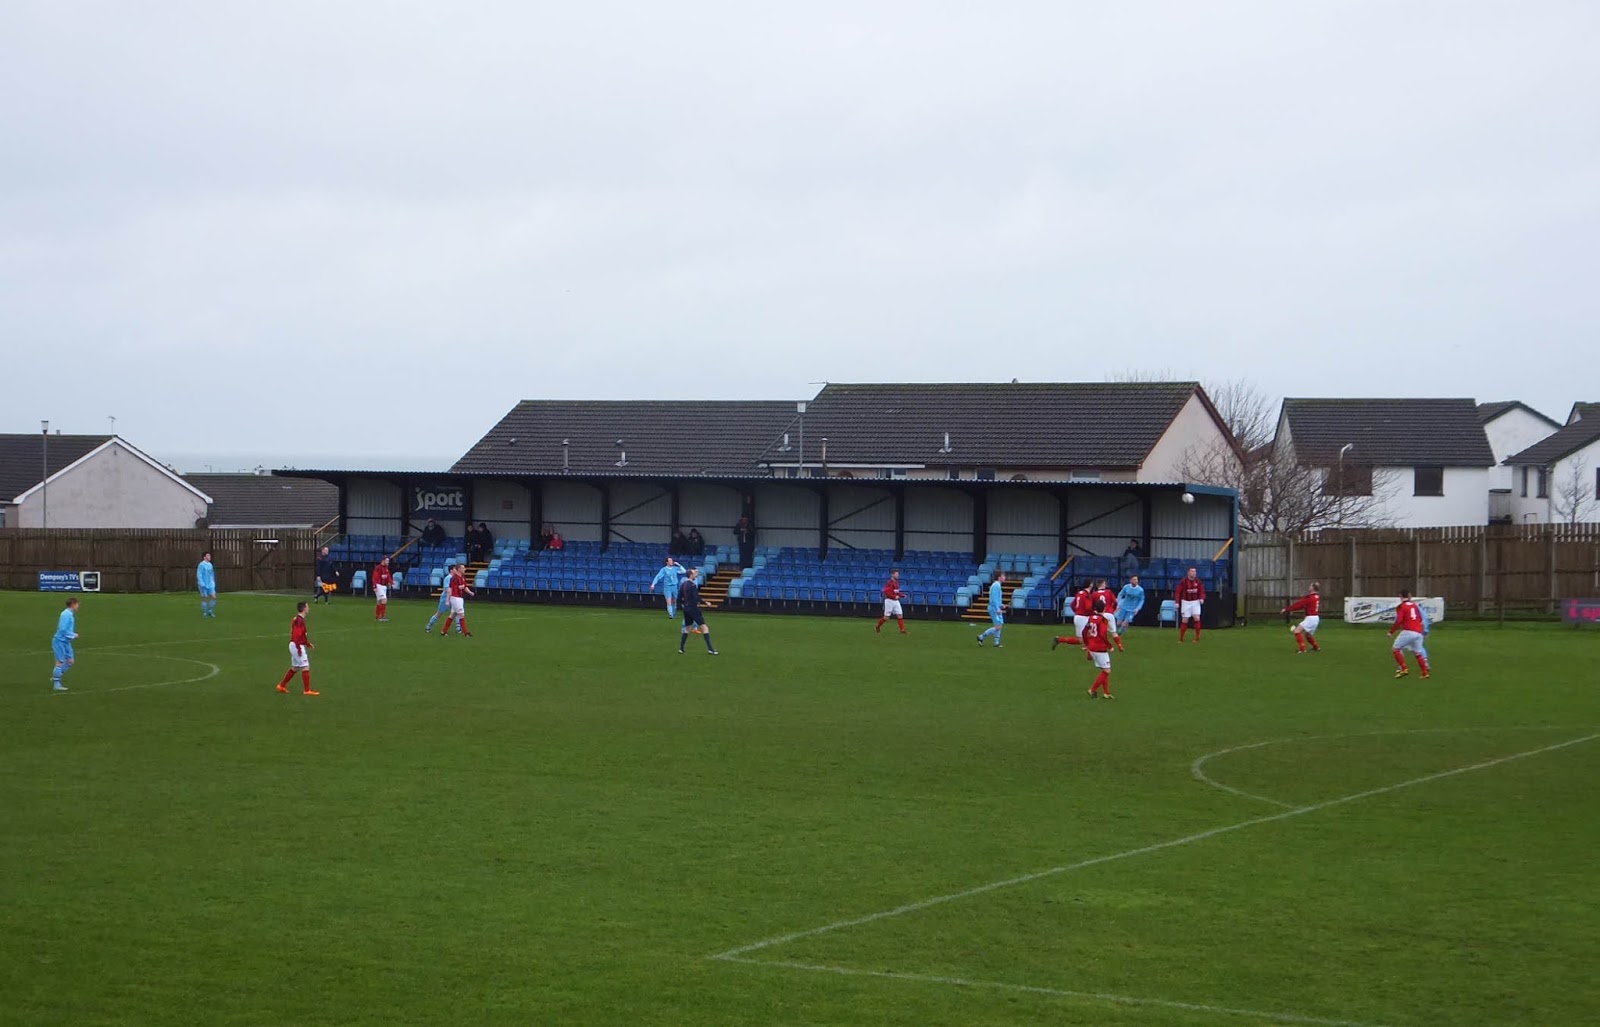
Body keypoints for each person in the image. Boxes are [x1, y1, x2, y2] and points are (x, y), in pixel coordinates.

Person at [274, 601, 319, 696]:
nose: (308, 608)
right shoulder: (299, 620)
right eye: (307, 606)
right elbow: (296, 635)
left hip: (295, 644)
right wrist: (299, 648)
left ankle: (281, 686)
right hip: (296, 645)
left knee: (295, 667)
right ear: (304, 609)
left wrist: (307, 643)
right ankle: (307, 690)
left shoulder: (298, 620)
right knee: (305, 666)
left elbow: (300, 635)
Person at [1389, 590, 1430, 679]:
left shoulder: (1401, 607)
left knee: (1396, 649)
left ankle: (1404, 668)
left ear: (1400, 596)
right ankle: (1425, 673)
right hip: (1418, 633)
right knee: (1418, 653)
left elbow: (1399, 621)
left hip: (1408, 631)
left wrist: (1391, 632)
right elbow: (1420, 619)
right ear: (1409, 596)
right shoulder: (1415, 606)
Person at [677, 567, 719, 655]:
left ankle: (681, 648)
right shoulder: (692, 585)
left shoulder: (683, 585)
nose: (696, 574)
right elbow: (696, 597)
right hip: (693, 608)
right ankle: (710, 649)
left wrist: (684, 605)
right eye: (694, 573)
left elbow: (679, 598)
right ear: (691, 575)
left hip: (686, 609)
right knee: (704, 627)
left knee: (687, 628)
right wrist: (705, 602)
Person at [1084, 598, 1115, 699]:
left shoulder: (1091, 618)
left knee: (1103, 669)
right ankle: (1092, 690)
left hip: (1092, 647)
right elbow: (1102, 634)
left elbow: (1084, 631)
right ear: (1104, 609)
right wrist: (1109, 645)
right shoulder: (1103, 620)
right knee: (1107, 670)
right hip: (1100, 649)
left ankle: (1106, 693)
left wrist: (1086, 643)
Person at [425, 563, 466, 634]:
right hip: (446, 598)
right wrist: (448, 599)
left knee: (457, 612)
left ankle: (458, 628)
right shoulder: (448, 578)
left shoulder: (456, 578)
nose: (456, 570)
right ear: (451, 570)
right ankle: (429, 626)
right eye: (454, 569)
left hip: (454, 598)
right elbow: (448, 589)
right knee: (439, 613)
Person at [1282, 582, 1322, 653]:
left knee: (1297, 631)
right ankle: (1316, 647)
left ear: (1312, 588)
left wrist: (1287, 609)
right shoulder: (1317, 596)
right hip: (1316, 618)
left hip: (1311, 618)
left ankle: (1303, 649)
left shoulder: (1309, 597)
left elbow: (1298, 605)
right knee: (1308, 635)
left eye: (1310, 585)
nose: (1309, 587)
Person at [50, 598, 79, 692]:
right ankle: (56, 684)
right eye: (77, 604)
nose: (78, 606)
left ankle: (56, 676)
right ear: (73, 604)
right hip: (60, 641)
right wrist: (73, 635)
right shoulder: (66, 614)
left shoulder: (69, 614)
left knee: (70, 661)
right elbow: (62, 629)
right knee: (60, 662)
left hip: (66, 642)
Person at [440, 564, 475, 637]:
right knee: (461, 615)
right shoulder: (454, 578)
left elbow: (465, 587)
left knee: (453, 615)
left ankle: (444, 631)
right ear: (458, 569)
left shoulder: (462, 577)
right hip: (455, 598)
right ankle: (466, 633)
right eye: (463, 568)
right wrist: (447, 600)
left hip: (460, 598)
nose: (464, 569)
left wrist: (470, 592)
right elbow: (450, 589)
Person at [1092, 578, 1125, 651]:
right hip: (1109, 614)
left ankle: (1108, 646)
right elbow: (1116, 602)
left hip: (1101, 615)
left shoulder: (1094, 594)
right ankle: (1119, 645)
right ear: (1103, 584)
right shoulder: (1109, 592)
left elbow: (1092, 605)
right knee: (1113, 632)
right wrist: (1114, 609)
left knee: (1101, 632)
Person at [1175, 566, 1206, 642]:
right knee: (1185, 620)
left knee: (1197, 618)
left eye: (1194, 571)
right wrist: (1177, 602)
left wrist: (1202, 598)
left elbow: (1202, 591)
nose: (1193, 573)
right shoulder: (1183, 581)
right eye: (1192, 571)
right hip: (1186, 602)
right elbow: (1178, 592)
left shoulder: (1198, 582)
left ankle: (1197, 638)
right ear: (1188, 572)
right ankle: (1181, 638)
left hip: (1195, 602)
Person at [976, 570, 1006, 648]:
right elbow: (993, 598)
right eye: (1003, 576)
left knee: (999, 624)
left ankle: (996, 642)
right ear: (999, 577)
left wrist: (1000, 605)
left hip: (995, 607)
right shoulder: (996, 585)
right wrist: (997, 608)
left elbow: (995, 598)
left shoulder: (996, 585)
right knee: (998, 626)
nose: (1004, 577)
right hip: (994, 608)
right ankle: (981, 637)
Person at [877, 569, 908, 634]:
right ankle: (878, 626)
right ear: (892, 575)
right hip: (889, 601)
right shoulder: (889, 582)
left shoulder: (896, 583)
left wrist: (902, 595)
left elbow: (896, 591)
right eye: (896, 574)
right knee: (886, 617)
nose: (897, 576)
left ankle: (902, 630)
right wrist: (894, 596)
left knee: (900, 615)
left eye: (898, 574)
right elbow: (886, 591)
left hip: (896, 601)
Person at [372, 555, 394, 622]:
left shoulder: (386, 568)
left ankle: (377, 617)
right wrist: (375, 586)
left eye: (388, 561)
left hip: (384, 586)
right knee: (384, 600)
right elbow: (374, 578)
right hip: (379, 586)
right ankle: (383, 617)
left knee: (379, 602)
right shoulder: (378, 568)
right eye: (387, 561)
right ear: (383, 561)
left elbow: (388, 576)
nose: (388, 562)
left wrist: (391, 583)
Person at [197, 551, 218, 618]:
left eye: (210, 555)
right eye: (208, 556)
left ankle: (210, 611)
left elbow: (211, 574)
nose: (210, 557)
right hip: (203, 584)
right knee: (205, 598)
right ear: (204, 557)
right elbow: (199, 574)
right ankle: (205, 613)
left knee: (214, 597)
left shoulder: (210, 564)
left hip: (210, 584)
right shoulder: (201, 565)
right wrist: (201, 583)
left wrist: (213, 582)